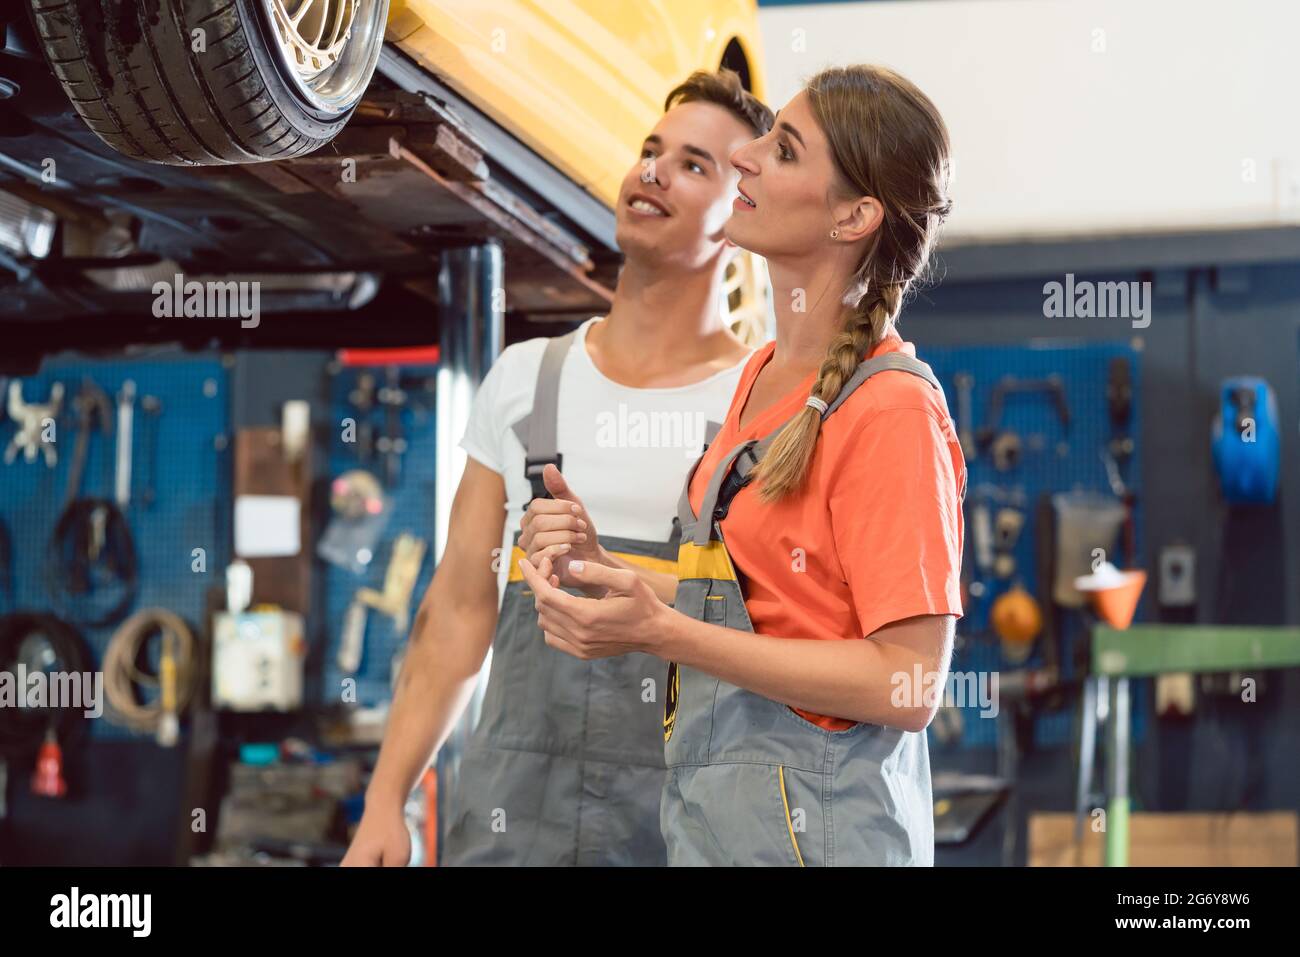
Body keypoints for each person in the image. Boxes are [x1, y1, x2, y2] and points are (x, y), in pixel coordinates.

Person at [518, 64, 966, 866]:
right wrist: (607, 569)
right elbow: (762, 606)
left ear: (855, 214)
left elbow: (908, 683)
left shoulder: (890, 408)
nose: (748, 159)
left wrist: (665, 632)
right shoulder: (761, 378)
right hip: (719, 831)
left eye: (784, 150)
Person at [342, 69, 773, 867]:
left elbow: (782, 623)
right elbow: (458, 611)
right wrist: (385, 799)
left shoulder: (760, 402)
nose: (653, 169)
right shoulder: (525, 379)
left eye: (693, 164)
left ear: (739, 214)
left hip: (686, 828)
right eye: (651, 149)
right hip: (512, 824)